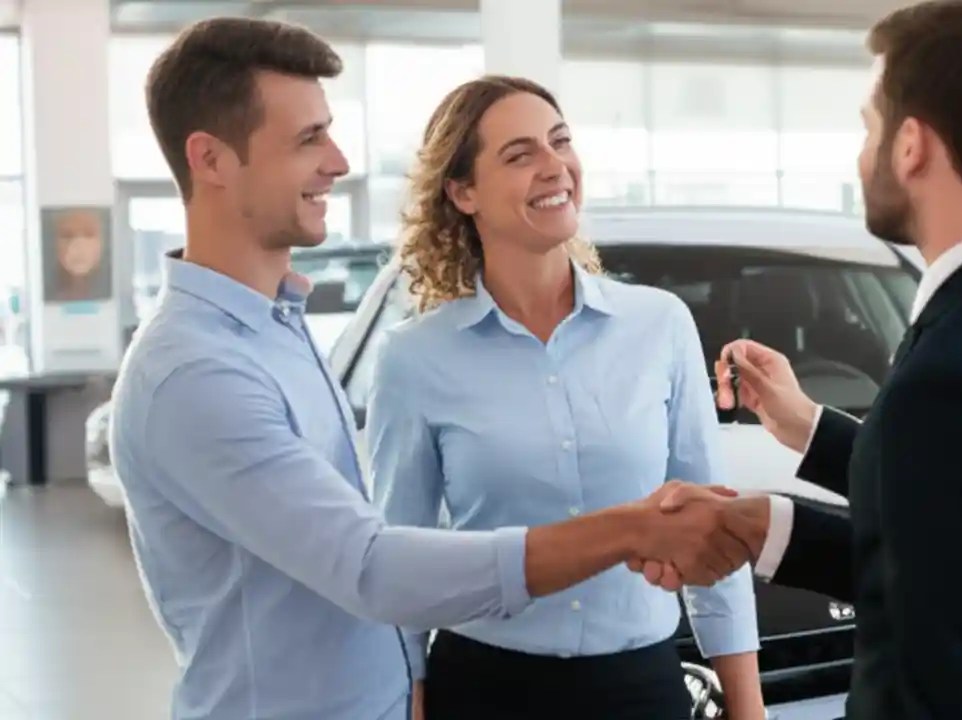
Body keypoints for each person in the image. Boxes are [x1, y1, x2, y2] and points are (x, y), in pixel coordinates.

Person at [110, 18, 751, 720]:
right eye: (307, 139)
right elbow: (374, 565)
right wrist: (629, 529)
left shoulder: (277, 333)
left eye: (560, 141)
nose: (339, 161)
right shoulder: (199, 374)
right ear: (211, 159)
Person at [641, 1, 962, 719]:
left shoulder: (953, 381)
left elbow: (947, 683)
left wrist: (758, 521)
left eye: (869, 126)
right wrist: (804, 449)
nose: (863, 153)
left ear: (912, 145)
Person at [366, 74, 764, 720]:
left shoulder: (658, 325)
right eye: (520, 155)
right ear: (463, 192)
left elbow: (711, 534)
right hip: (485, 690)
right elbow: (402, 570)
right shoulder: (414, 358)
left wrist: (748, 709)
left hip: (643, 688)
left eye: (560, 142)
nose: (556, 167)